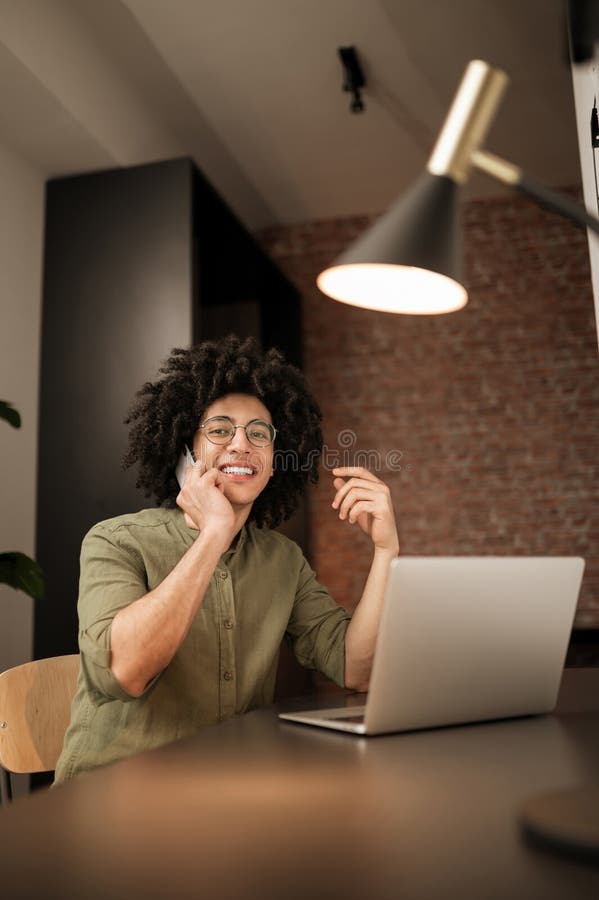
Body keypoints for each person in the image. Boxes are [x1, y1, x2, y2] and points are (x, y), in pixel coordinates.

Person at [54, 335, 399, 782]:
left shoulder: (282, 560)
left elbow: (357, 669)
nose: (241, 444)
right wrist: (213, 534)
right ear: (186, 449)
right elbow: (123, 672)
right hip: (110, 796)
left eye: (260, 433)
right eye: (219, 430)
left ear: (275, 461)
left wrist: (386, 552)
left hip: (228, 794)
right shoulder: (116, 541)